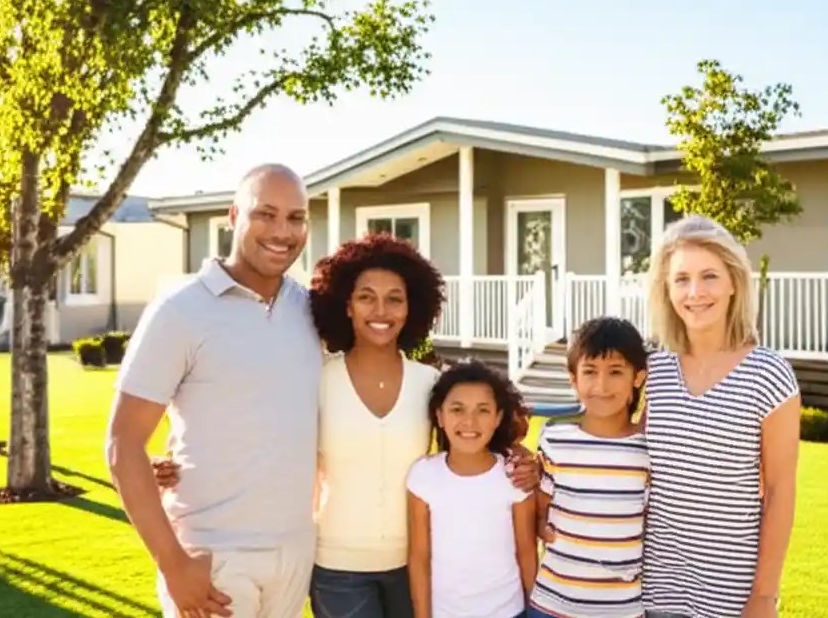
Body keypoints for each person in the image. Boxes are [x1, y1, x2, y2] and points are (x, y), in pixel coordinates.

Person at [153, 232, 541, 618]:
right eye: (366, 297)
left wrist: (522, 462)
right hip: (338, 568)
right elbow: (257, 433)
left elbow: (477, 437)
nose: (381, 311)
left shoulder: (429, 384)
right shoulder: (316, 378)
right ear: (347, 306)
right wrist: (177, 465)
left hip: (416, 564)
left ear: (411, 309)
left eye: (395, 299)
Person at [106, 164, 322, 618]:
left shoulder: (310, 311)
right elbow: (123, 444)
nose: (282, 232)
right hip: (214, 560)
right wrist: (173, 565)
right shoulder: (180, 311)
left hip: (295, 556)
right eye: (265, 214)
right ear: (233, 216)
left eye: (296, 217)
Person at [641, 215, 801, 618]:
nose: (695, 292)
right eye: (681, 279)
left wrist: (764, 596)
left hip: (731, 593)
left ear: (733, 282)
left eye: (709, 276)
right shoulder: (653, 370)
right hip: (652, 588)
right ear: (666, 289)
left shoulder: (769, 373)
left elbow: (780, 490)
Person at [529, 316, 650, 618]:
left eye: (616, 372)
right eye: (590, 372)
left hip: (621, 609)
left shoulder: (649, 449)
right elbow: (539, 510)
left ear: (638, 377)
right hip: (553, 604)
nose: (601, 385)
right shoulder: (555, 439)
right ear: (573, 378)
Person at [406, 361, 539, 618]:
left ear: (498, 418)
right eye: (457, 409)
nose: (470, 421)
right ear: (440, 416)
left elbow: (526, 551)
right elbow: (419, 559)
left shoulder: (514, 477)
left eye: (483, 410)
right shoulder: (423, 476)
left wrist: (534, 610)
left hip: (506, 612)